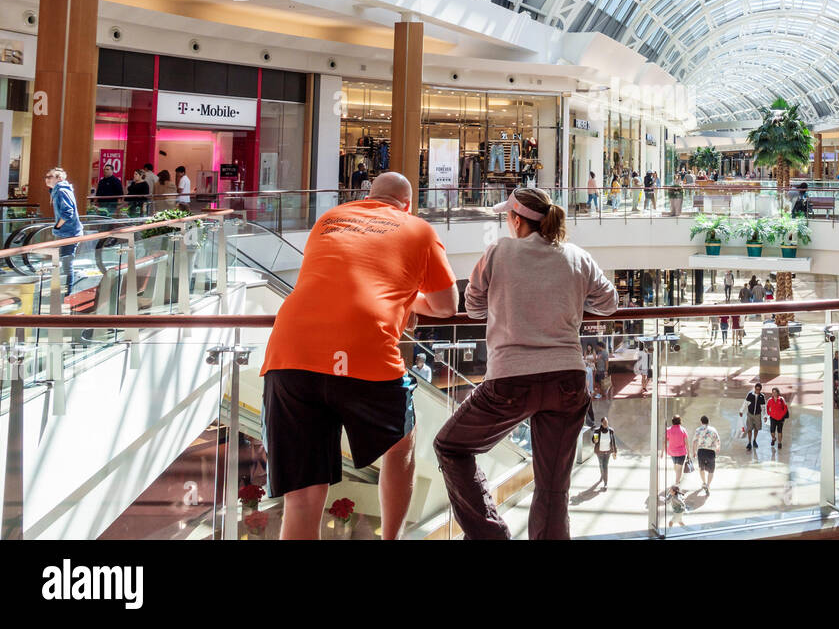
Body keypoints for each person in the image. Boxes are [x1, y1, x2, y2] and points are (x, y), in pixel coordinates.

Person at [259, 172, 459, 540]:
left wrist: (396, 292)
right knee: (401, 444)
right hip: (362, 350)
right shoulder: (418, 229)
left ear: (368, 196)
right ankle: (391, 538)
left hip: (290, 352)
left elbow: (336, 277)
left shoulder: (329, 219)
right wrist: (406, 295)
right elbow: (447, 305)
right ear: (407, 205)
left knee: (302, 496)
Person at [434, 186, 617, 540]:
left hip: (510, 380)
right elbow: (608, 303)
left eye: (508, 216)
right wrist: (569, 303)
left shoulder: (499, 252)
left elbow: (473, 308)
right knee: (552, 486)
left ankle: (490, 535)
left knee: (450, 445)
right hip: (567, 377)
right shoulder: (576, 256)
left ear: (516, 220)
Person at [44, 167, 83, 294]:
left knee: (67, 262)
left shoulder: (61, 191)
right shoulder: (58, 190)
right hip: (69, 232)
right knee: (66, 261)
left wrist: (57, 227)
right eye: (46, 177)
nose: (46, 179)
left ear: (59, 178)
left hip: (70, 232)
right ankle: (67, 290)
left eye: (50, 177)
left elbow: (67, 213)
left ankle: (68, 291)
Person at [691, 415, 721, 493]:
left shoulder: (698, 430)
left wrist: (693, 451)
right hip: (711, 452)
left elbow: (694, 441)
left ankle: (704, 483)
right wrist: (717, 447)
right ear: (708, 421)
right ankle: (708, 485)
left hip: (701, 451)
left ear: (701, 422)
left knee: (701, 468)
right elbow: (718, 440)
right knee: (711, 470)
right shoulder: (713, 430)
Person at [592, 417, 618, 490]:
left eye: (607, 422)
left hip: (607, 452)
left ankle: (605, 483)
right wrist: (595, 440)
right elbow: (594, 441)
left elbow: (613, 441)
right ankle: (602, 475)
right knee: (601, 465)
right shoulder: (597, 431)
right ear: (601, 423)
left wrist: (615, 451)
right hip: (599, 452)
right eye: (604, 422)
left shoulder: (611, 431)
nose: (606, 424)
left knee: (605, 466)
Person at [666, 415, 689, 487]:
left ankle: (677, 481)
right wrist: (689, 453)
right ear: (680, 421)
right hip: (681, 452)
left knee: (676, 466)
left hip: (672, 452)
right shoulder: (683, 430)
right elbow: (687, 443)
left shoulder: (668, 430)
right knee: (679, 468)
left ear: (672, 421)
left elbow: (664, 440)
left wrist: (664, 450)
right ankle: (677, 483)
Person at [742, 382, 767, 449]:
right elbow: (745, 403)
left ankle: (754, 440)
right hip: (750, 414)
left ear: (760, 390)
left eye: (759, 389)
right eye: (756, 389)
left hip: (758, 415)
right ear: (754, 388)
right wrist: (741, 411)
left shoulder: (762, 396)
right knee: (749, 429)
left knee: (756, 428)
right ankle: (749, 442)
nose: (757, 390)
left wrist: (765, 416)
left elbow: (763, 407)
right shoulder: (750, 395)